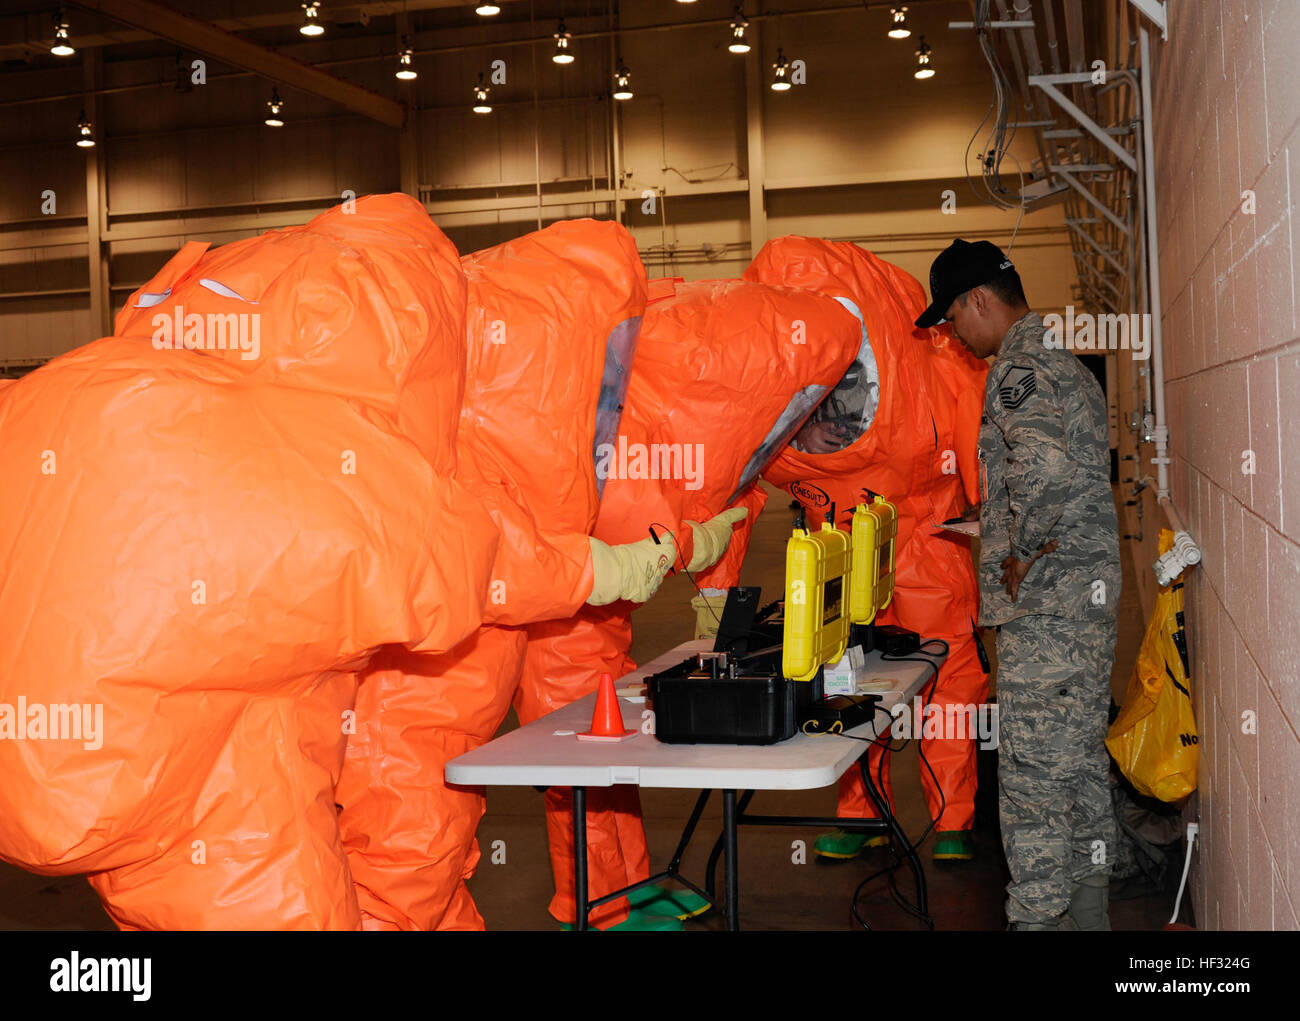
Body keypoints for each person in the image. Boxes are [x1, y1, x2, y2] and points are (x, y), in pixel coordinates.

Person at [747, 237, 989, 864]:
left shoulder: (942, 358)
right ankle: (864, 815)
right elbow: (734, 459)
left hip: (926, 542)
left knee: (950, 681)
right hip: (843, 548)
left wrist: (988, 526)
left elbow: (981, 461)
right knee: (850, 682)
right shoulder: (810, 370)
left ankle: (952, 818)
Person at [915, 238, 1121, 930]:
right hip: (1086, 609)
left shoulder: (1016, 371)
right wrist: (992, 526)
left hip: (1049, 617)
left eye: (951, 319)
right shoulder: (1067, 363)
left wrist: (1020, 551)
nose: (952, 335)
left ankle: (1036, 920)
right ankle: (1089, 918)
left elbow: (1046, 473)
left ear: (978, 301)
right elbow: (1076, 476)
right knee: (1083, 776)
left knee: (1033, 789)